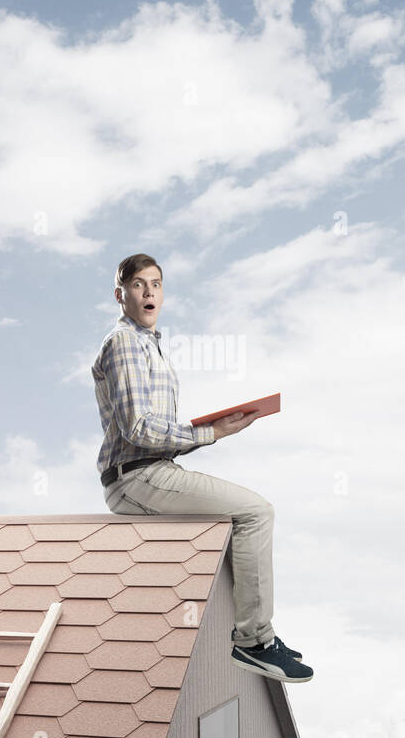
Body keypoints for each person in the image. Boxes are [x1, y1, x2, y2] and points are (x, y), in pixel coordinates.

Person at [91, 253, 313, 683]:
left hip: (153, 469)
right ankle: (253, 642)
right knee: (256, 512)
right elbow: (139, 429)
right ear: (120, 295)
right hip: (136, 477)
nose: (149, 292)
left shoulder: (150, 345)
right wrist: (213, 434)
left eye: (156, 284)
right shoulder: (124, 343)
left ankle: (258, 634)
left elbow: (158, 432)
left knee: (247, 514)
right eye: (139, 284)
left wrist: (215, 426)